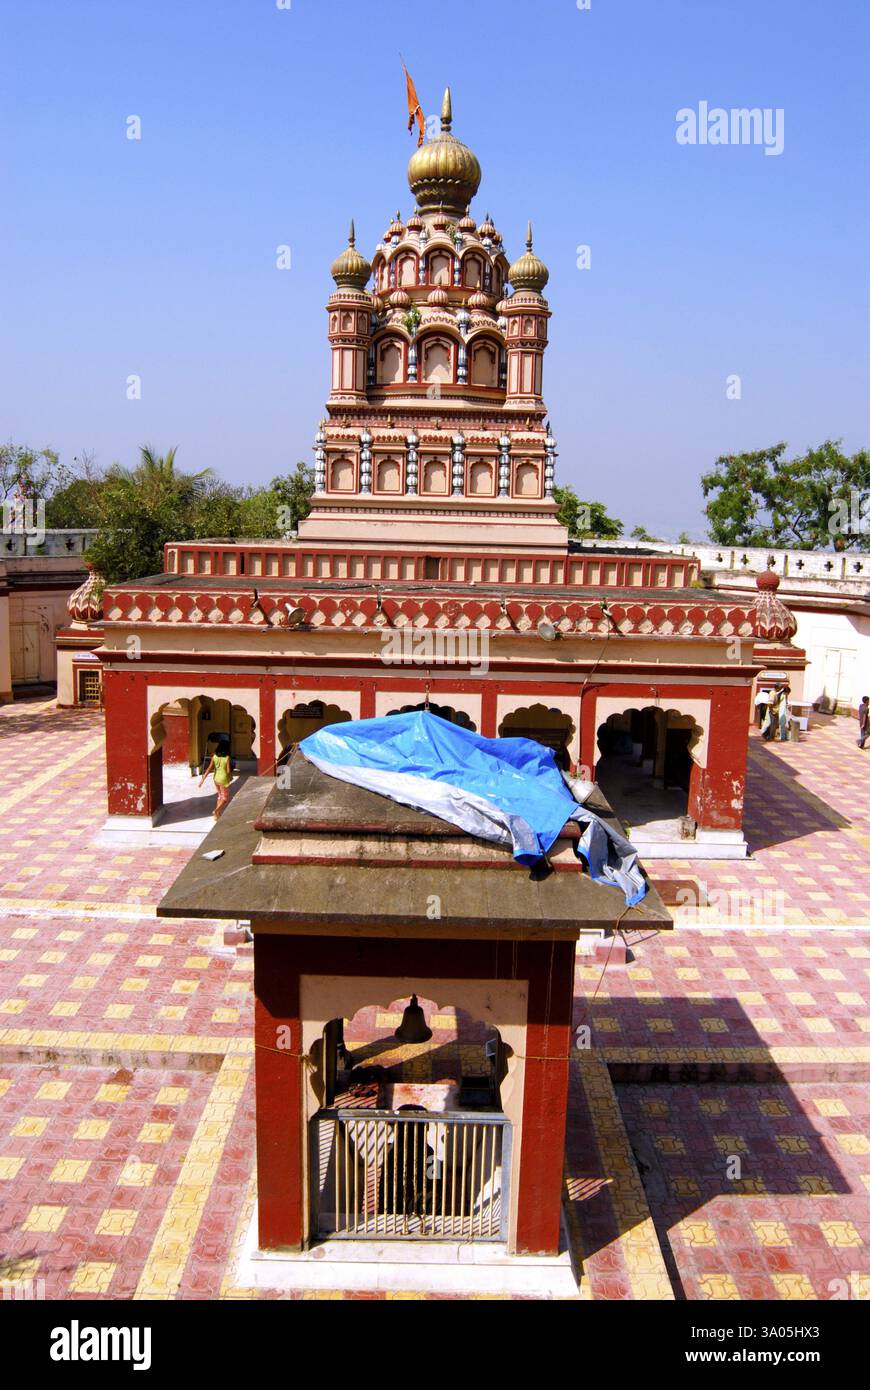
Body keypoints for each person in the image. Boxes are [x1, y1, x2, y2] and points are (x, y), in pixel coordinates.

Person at [199, 735, 233, 817]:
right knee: (225, 798)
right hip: (223, 779)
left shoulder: (214, 756)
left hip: (216, 778)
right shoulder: (227, 758)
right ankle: (216, 810)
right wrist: (230, 776)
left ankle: (217, 814)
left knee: (219, 796)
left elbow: (209, 769)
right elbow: (228, 771)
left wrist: (202, 780)